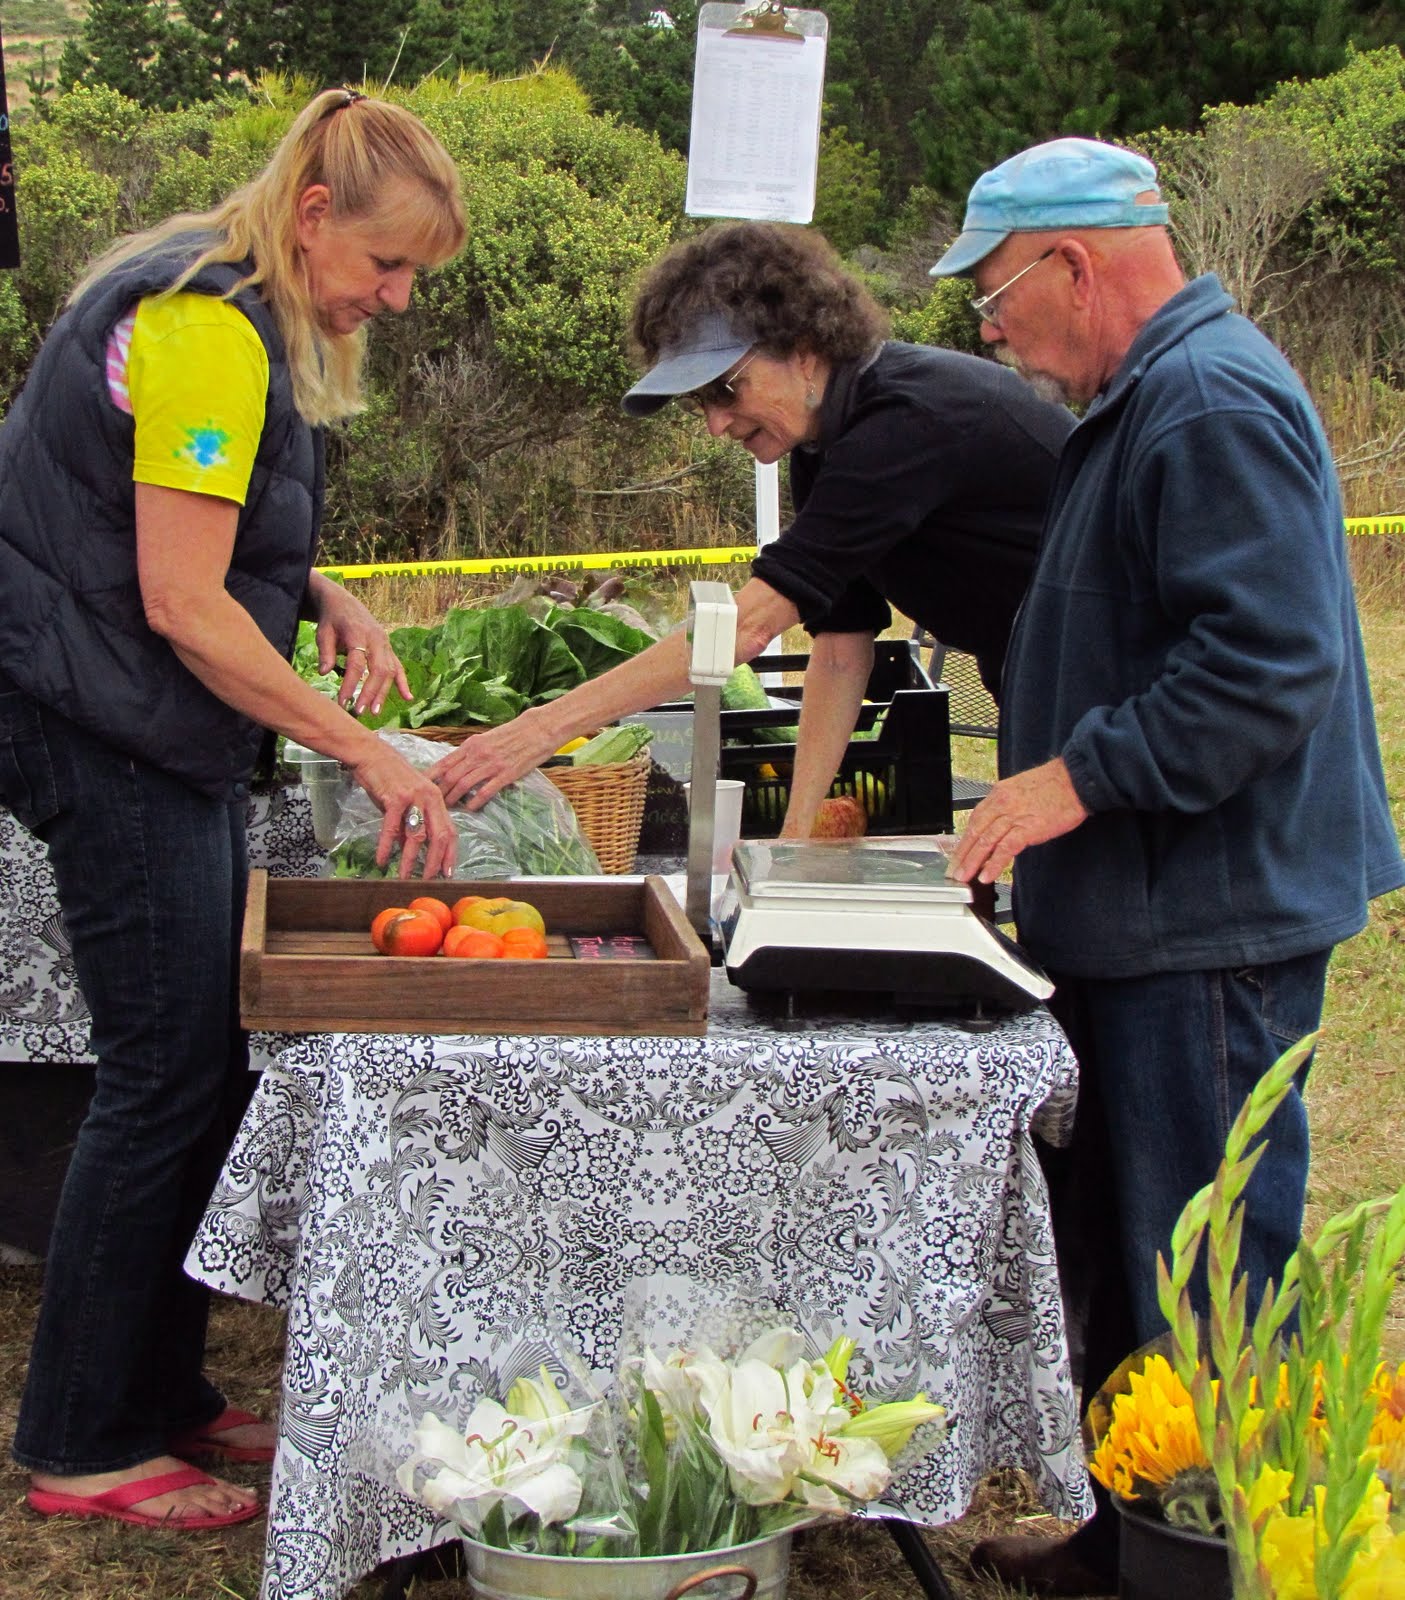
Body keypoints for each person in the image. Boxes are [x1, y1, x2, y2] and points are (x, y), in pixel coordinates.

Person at [933, 137, 1404, 1595]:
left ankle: (1216, 1567)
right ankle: (1127, 1542)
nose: (989, 333)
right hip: (1148, 914)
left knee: (1205, 1282)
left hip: (1210, 925)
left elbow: (1266, 666)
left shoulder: (1203, 401)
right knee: (1141, 1256)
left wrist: (1076, 775)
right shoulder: (1149, 396)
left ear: (1071, 263)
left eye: (994, 298)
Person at [0, 89, 466, 1530]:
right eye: (386, 267)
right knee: (157, 1081)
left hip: (144, 721)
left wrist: (318, 586)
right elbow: (178, 598)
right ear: (314, 215)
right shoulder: (206, 327)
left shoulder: (224, 302)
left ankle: (167, 1390)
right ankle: (80, 1437)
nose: (392, 298)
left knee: (199, 1059)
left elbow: (177, 522)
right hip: (108, 730)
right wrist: (368, 752)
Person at [430, 221, 1074, 831]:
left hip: (1108, 673)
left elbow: (750, 625)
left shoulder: (907, 419)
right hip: (1036, 671)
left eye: (727, 389)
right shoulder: (823, 447)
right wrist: (794, 837)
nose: (715, 424)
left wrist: (538, 731)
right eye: (699, 403)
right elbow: (841, 650)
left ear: (803, 351)